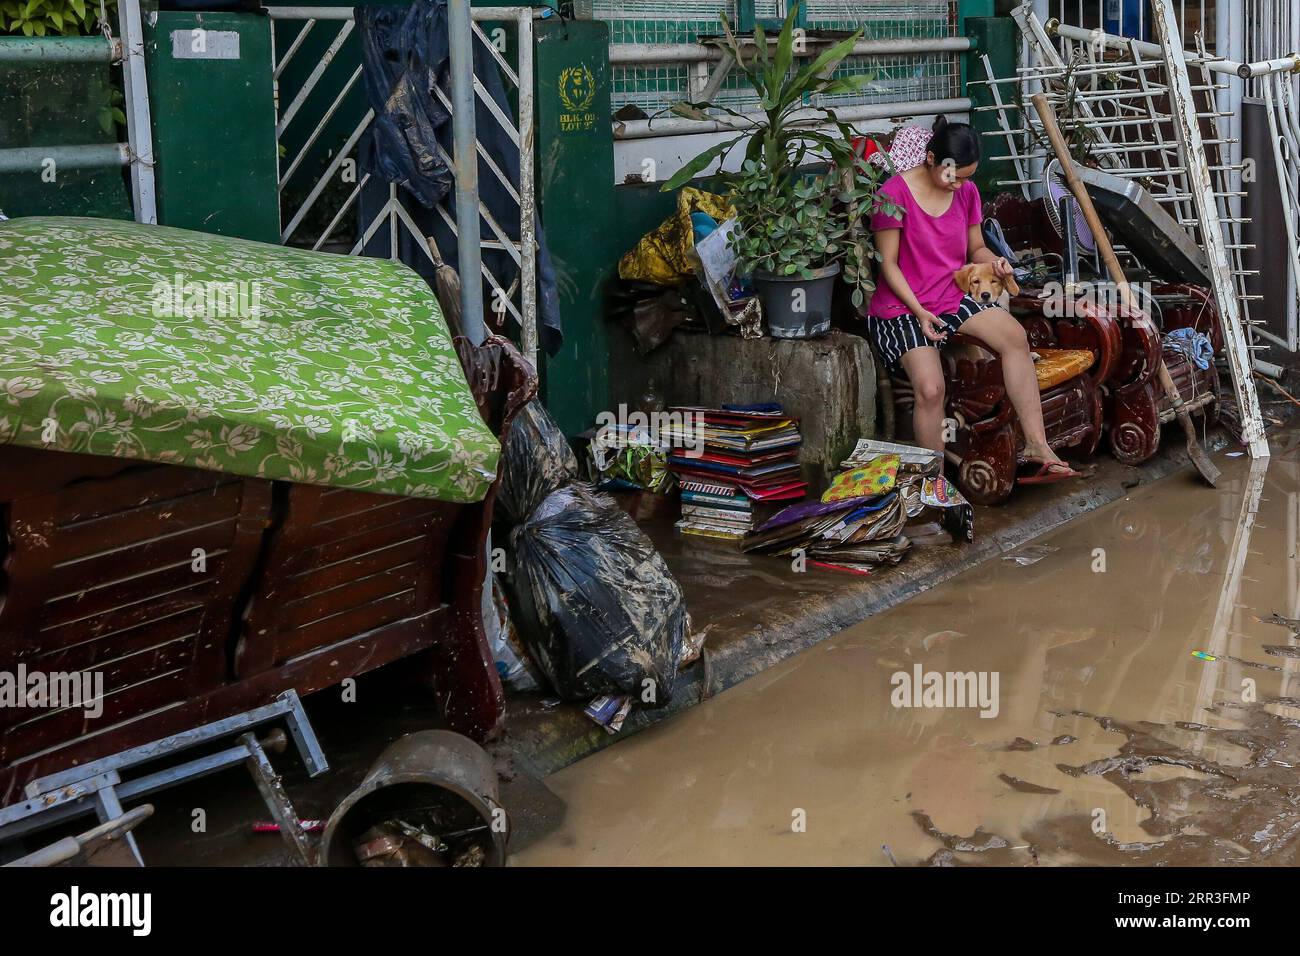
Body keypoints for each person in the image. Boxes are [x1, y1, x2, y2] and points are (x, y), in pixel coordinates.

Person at [865, 117, 1080, 483]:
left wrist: (995, 263)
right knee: (931, 389)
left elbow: (975, 247)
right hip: (902, 307)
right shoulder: (893, 195)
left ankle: (1037, 445)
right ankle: (933, 482)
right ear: (930, 158)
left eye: (967, 176)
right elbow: (888, 265)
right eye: (954, 176)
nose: (960, 184)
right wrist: (919, 312)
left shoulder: (966, 193)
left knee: (1014, 337)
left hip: (950, 294)